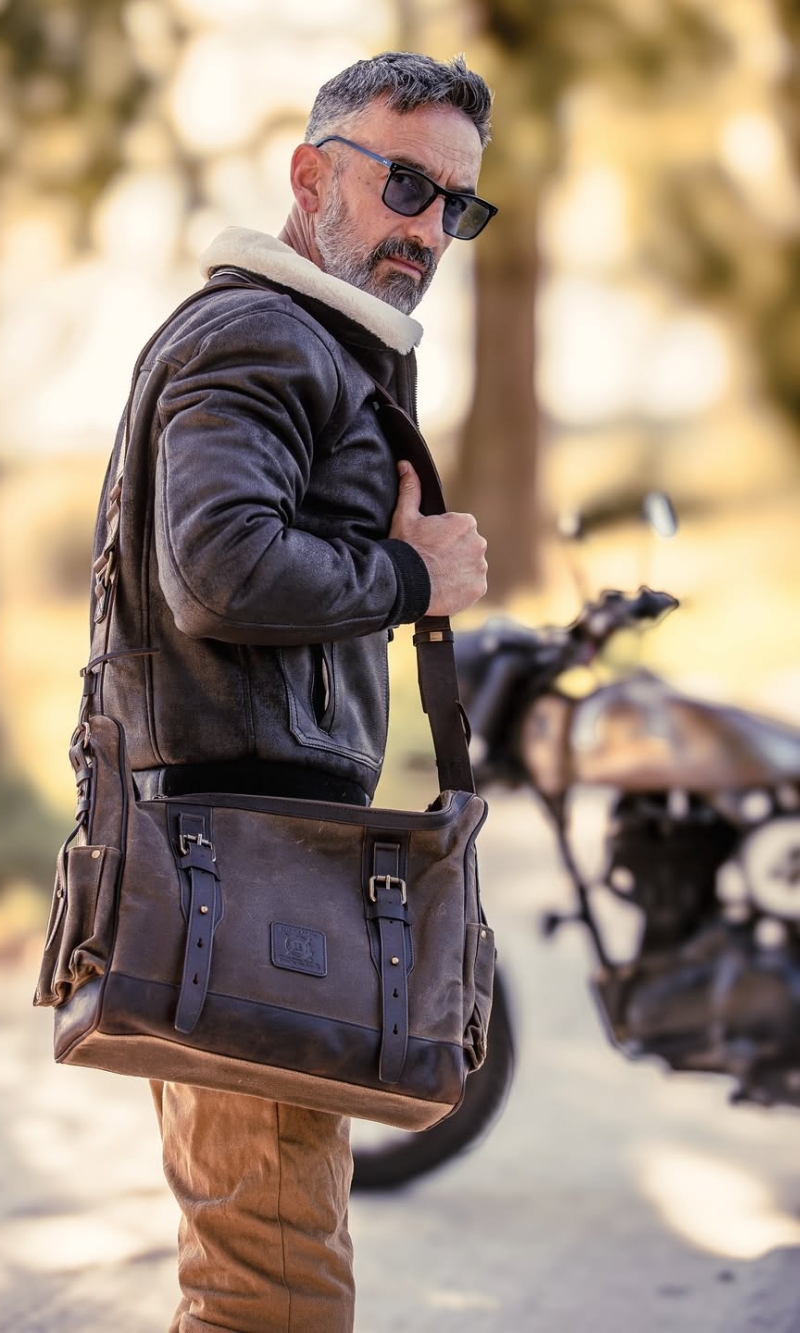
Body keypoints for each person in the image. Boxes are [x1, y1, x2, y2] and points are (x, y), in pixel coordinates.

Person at [97, 49, 494, 1333]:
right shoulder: (265, 333)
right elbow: (219, 568)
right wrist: (405, 570)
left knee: (258, 1258)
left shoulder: (311, 343)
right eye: (404, 186)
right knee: (272, 1288)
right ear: (311, 173)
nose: (427, 229)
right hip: (248, 876)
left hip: (251, 875)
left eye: (456, 206)